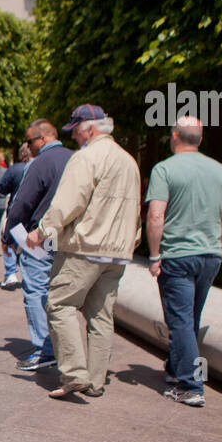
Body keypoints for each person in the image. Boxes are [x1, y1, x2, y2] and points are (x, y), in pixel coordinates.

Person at [26, 105, 141, 399]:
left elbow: (68, 201)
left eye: (76, 130)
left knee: (59, 305)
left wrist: (43, 230)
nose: (75, 136)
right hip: (117, 252)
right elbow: (135, 209)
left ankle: (75, 373)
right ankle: (96, 380)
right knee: (101, 315)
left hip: (85, 247)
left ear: (90, 129)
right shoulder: (129, 162)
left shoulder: (87, 157)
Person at [146, 116, 222, 407]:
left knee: (180, 319)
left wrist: (154, 255)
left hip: (177, 256)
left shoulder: (164, 169)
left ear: (174, 136)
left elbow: (156, 215)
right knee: (190, 318)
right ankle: (175, 369)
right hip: (210, 255)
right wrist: (216, 245)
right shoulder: (220, 171)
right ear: (201, 138)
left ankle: (190, 385)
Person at [6, 119, 74, 369]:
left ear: (43, 139)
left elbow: (22, 203)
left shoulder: (40, 163)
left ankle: (45, 349)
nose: (27, 145)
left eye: (30, 140)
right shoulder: (76, 159)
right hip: (70, 237)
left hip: (40, 237)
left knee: (35, 289)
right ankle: (66, 348)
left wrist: (9, 236)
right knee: (61, 294)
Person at [0, 141, 33, 288]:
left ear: (23, 153)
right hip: (36, 213)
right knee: (30, 244)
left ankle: (11, 273)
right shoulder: (44, 166)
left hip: (17, 210)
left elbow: (2, 188)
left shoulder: (16, 169)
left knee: (9, 240)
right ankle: (28, 274)